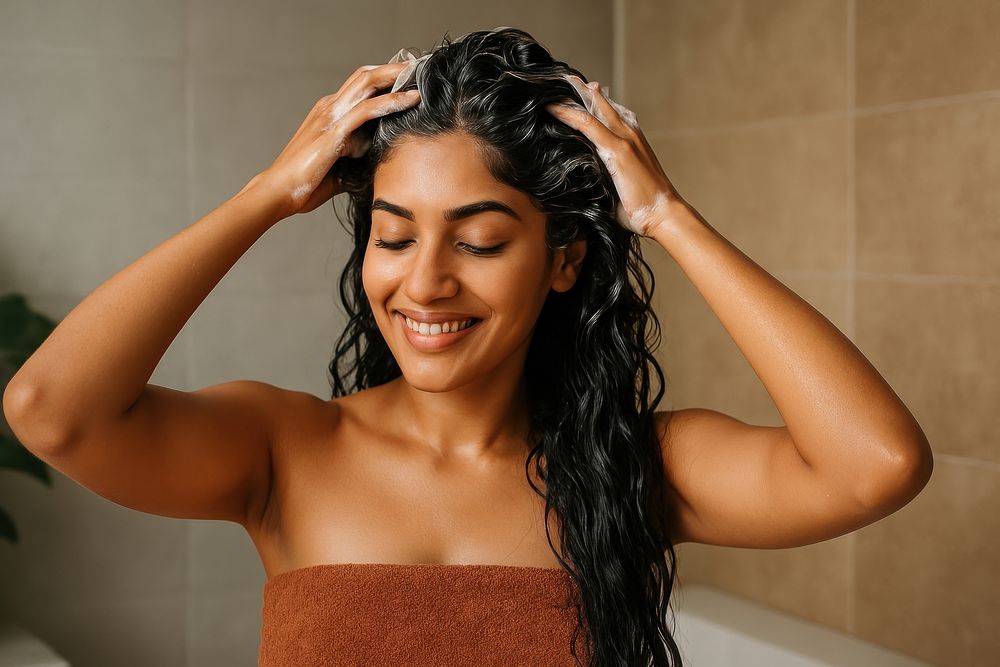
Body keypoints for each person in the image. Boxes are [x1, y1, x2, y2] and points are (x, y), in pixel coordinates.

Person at [3, 27, 933, 667]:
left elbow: (876, 464)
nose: (425, 282)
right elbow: (50, 410)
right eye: (394, 235)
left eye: (479, 242)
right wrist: (267, 195)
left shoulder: (630, 466)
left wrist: (665, 215)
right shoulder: (286, 450)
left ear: (562, 260)